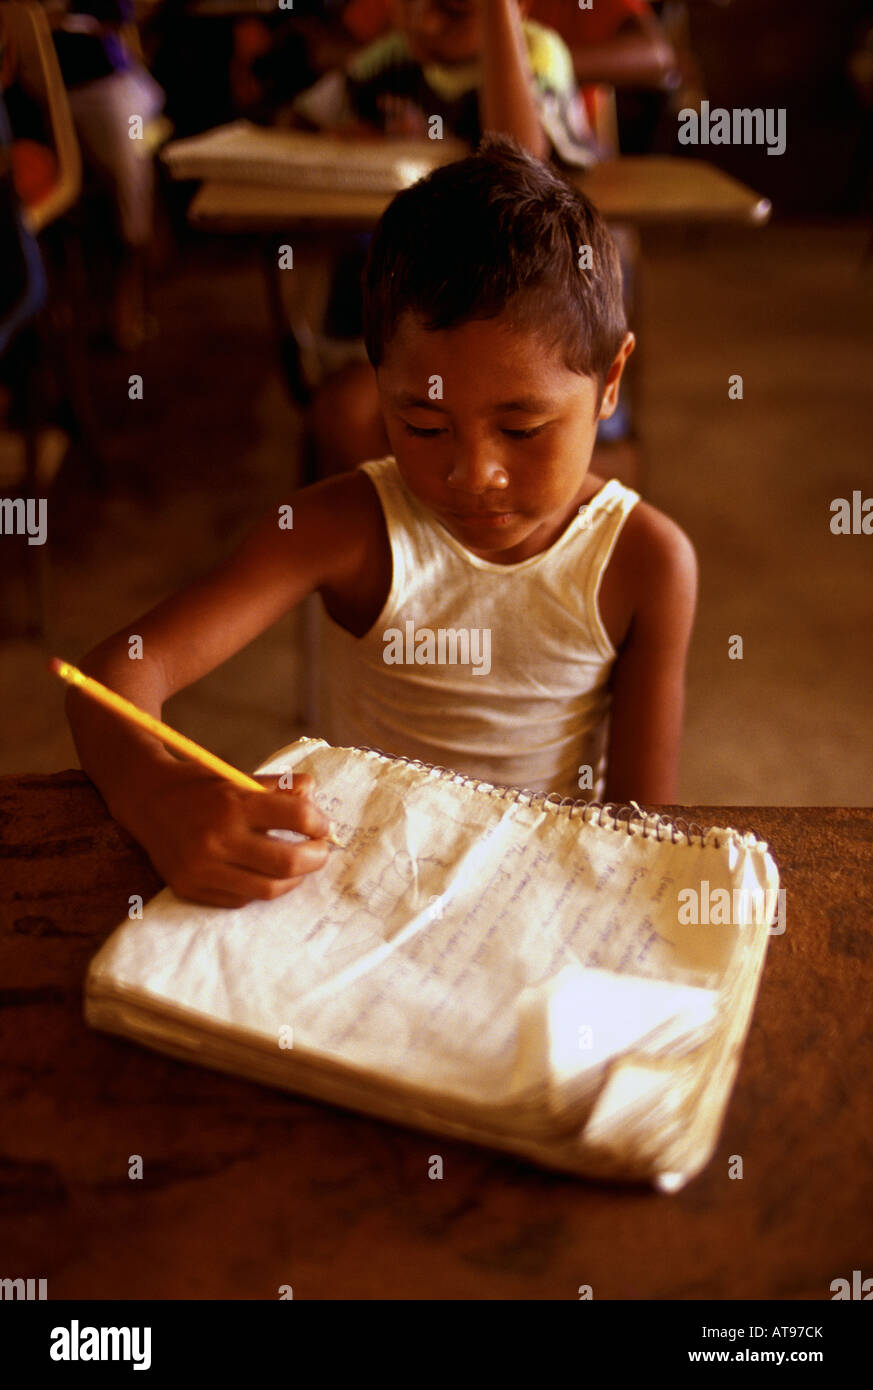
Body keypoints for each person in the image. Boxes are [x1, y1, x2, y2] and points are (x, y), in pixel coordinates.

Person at [65, 138, 697, 909]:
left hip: (540, 906)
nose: (474, 473)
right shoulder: (340, 529)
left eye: (523, 428)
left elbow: (639, 831)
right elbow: (107, 680)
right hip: (359, 897)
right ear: (379, 387)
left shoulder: (644, 563)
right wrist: (160, 799)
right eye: (424, 426)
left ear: (610, 383)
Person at [291, 0, 597, 475]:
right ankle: (398, 543)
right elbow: (301, 120)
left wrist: (499, 18)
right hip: (401, 314)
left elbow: (519, 160)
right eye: (410, 4)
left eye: (452, 11)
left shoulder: (535, 53)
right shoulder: (390, 58)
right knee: (348, 415)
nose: (423, 23)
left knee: (480, 421)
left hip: (511, 317)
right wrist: (340, 134)